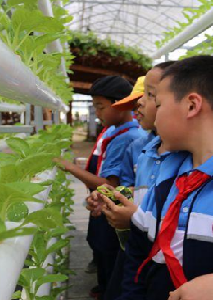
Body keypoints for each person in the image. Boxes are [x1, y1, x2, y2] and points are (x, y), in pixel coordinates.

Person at [116, 55, 213, 300]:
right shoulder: (167, 178)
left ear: (191, 105)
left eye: (158, 105)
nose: (154, 115)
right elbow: (137, 258)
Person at [87, 62, 180, 300]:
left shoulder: (189, 161)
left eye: (151, 95)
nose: (138, 103)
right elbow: (137, 189)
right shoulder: (146, 149)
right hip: (134, 249)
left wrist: (136, 219)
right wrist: (110, 196)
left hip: (161, 261)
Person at [57, 76, 143, 299]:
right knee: (103, 249)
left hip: (113, 205)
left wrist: (69, 168)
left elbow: (109, 185)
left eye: (100, 107)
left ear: (121, 105)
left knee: (110, 251)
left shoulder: (127, 138)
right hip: (106, 202)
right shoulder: (113, 132)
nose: (98, 113)